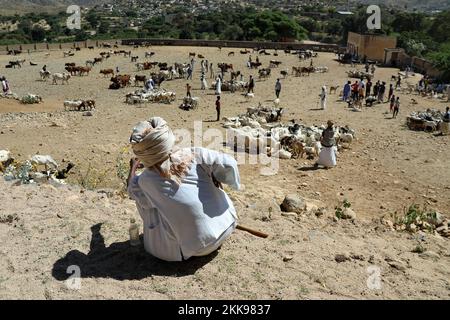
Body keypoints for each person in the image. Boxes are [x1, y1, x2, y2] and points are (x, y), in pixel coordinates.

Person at [127, 117, 239, 262]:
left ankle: (164, 243)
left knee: (144, 199)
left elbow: (131, 191)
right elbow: (229, 163)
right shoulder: (194, 153)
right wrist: (216, 176)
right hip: (227, 226)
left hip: (199, 248)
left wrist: (133, 167)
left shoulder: (145, 180)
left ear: (142, 154)